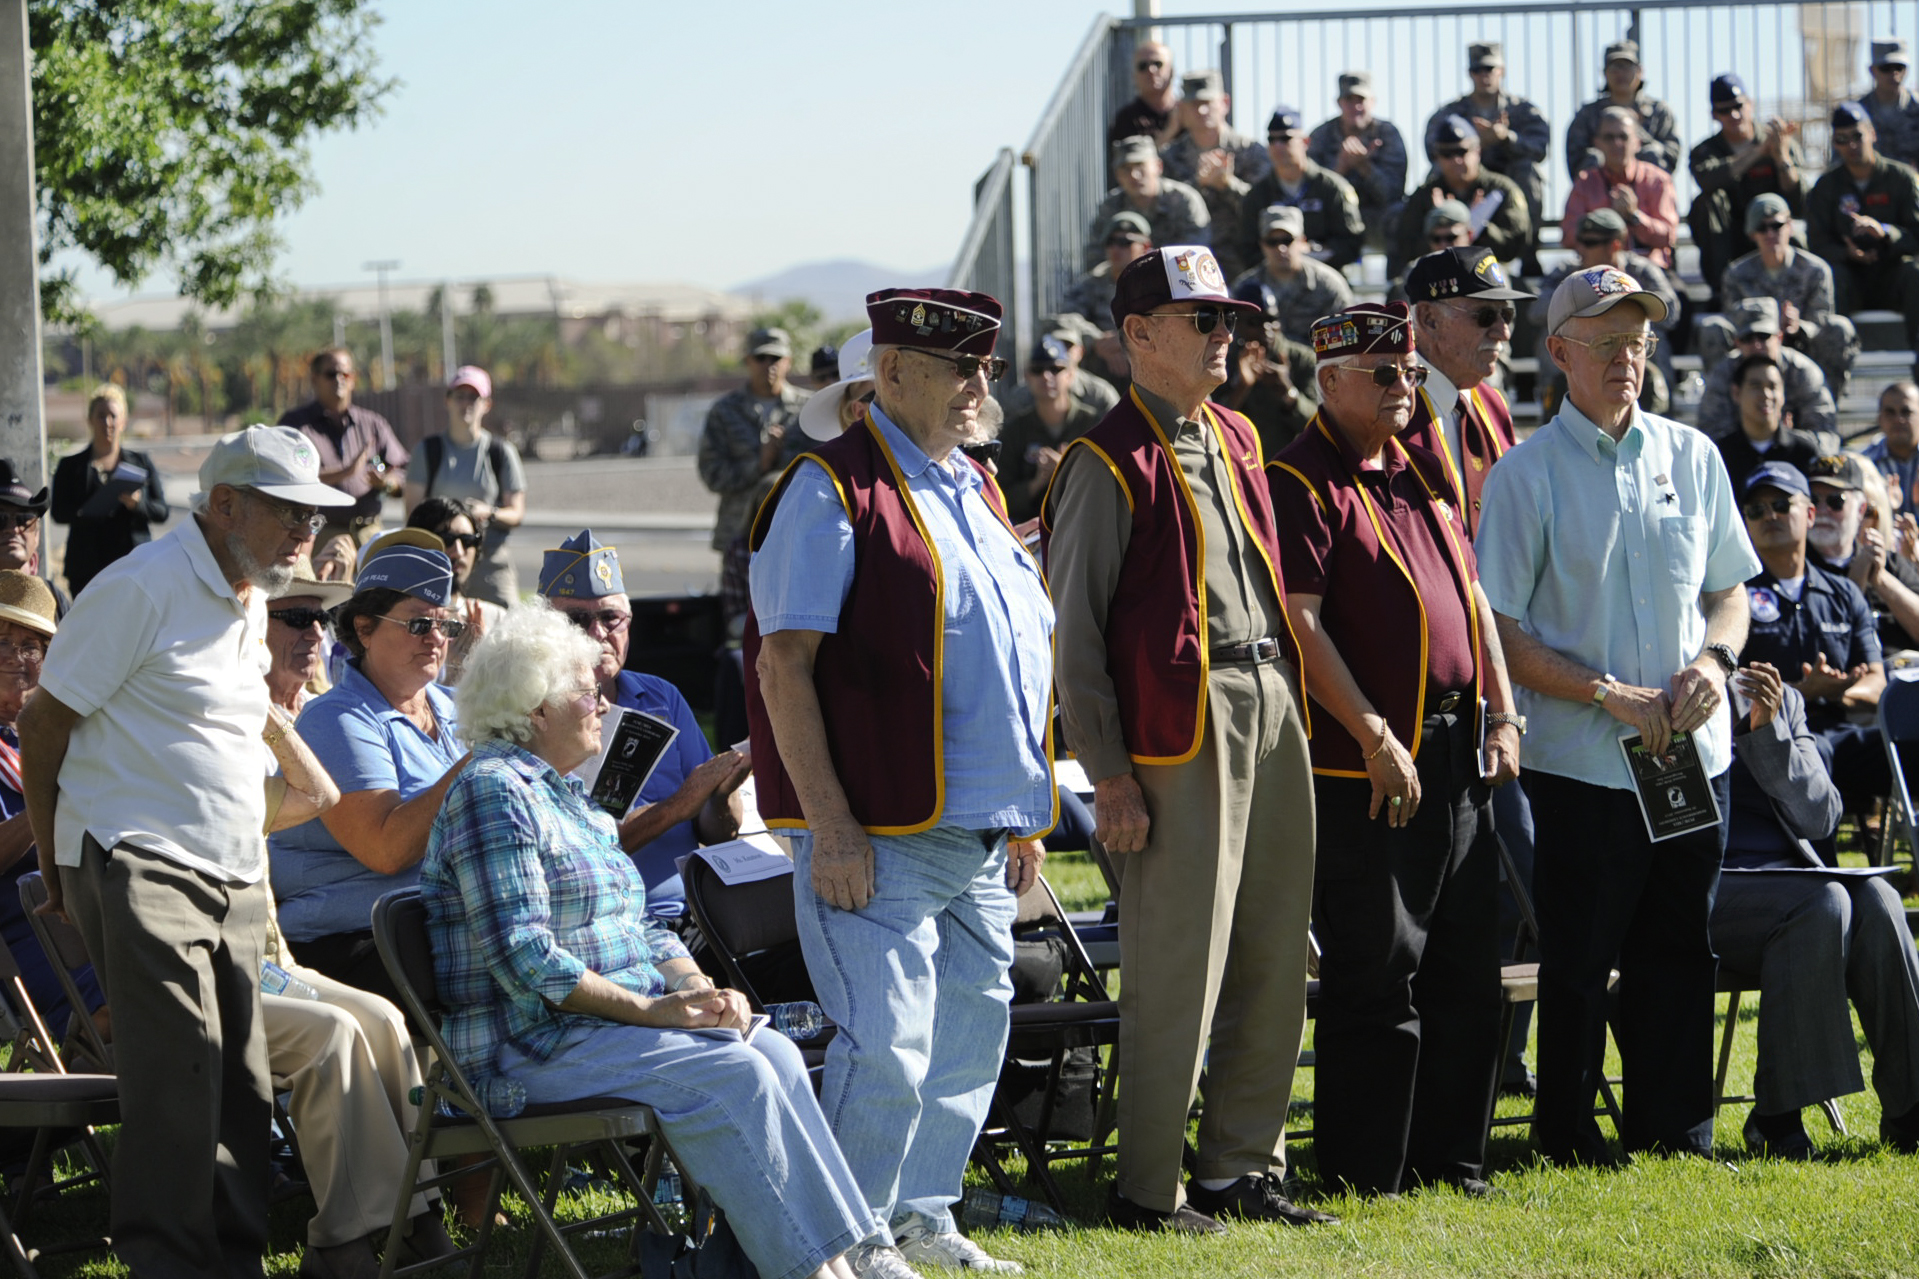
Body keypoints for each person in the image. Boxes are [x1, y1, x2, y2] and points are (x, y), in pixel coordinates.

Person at [422, 603, 882, 1279]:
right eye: (587, 691)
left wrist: (694, 987)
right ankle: (812, 1270)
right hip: (527, 1048)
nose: (602, 707)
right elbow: (523, 955)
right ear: (535, 707)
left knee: (772, 1051)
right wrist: (653, 1011)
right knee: (735, 1071)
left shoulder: (568, 798)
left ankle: (851, 1258)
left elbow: (637, 921)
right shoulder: (492, 792)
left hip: (596, 1032)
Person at [746, 286, 1054, 1275]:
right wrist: (827, 825)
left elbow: (1008, 659)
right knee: (887, 1045)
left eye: (984, 367)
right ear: (890, 374)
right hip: (874, 831)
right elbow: (781, 664)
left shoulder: (975, 487)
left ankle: (921, 1213)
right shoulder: (825, 487)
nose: (978, 385)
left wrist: (1023, 811)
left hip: (972, 830)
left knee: (969, 1034)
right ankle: (849, 1241)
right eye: (958, 367)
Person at [18, 425, 354, 1277]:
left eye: (313, 520)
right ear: (228, 505)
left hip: (233, 872)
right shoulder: (139, 587)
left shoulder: (246, 595)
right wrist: (62, 863)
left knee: (240, 1096)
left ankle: (231, 1264)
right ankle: (169, 1262)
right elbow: (42, 722)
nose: (305, 537)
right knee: (176, 1095)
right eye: (292, 515)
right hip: (140, 863)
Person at [1044, 248, 1330, 1233]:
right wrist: (1109, 776)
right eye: (1200, 319)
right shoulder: (1101, 460)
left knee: (1275, 946)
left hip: (1268, 698)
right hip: (1181, 725)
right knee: (1179, 962)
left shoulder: (1240, 435)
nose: (1224, 335)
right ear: (1136, 335)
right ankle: (1148, 1186)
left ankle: (1241, 1166)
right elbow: (1073, 641)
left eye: (1226, 318)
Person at [1475, 266, 1760, 1166]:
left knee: (1677, 946)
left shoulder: (1694, 454)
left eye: (1637, 342)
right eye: (1605, 344)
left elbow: (1730, 594)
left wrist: (1714, 659)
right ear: (1558, 354)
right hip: (1583, 764)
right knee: (1578, 957)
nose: (1626, 360)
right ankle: (1565, 1132)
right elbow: (1501, 631)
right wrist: (1606, 694)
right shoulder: (1523, 476)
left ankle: (1676, 1129)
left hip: (1686, 755)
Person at [1267, 302, 1521, 1198]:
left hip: (1459, 751)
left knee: (1464, 969)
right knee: (1377, 972)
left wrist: (1501, 708)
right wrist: (1373, 733)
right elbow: (1299, 622)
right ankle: (1364, 1168)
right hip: (1367, 767)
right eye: (1384, 374)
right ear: (1328, 379)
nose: (1404, 388)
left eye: (1411, 373)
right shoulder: (1299, 479)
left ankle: (1450, 1157)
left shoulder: (1419, 466)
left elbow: (1473, 592)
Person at [256, 584, 453, 1279]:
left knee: (379, 1020)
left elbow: (313, 796)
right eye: (295, 616)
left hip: (276, 954)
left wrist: (274, 717)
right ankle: (342, 1239)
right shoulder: (225, 730)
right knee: (341, 1029)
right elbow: (377, 842)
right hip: (237, 957)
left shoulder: (290, 718)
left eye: (319, 617)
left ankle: (414, 1213)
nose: (315, 630)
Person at [1712, 659, 1919, 1157]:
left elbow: (1820, 816)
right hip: (1706, 887)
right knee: (1820, 902)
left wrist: (1766, 732)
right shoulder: (1671, 696)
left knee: (1880, 898)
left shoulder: (1786, 703)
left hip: (1791, 880)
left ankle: (1911, 1107)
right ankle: (1777, 1117)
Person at [268, 531, 470, 1006]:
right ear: (364, 629)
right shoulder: (337, 719)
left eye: (446, 625)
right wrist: (477, 765)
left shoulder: (458, 709)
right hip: (355, 941)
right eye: (419, 624)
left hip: (436, 927)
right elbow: (385, 850)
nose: (437, 638)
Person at [540, 530, 748, 926]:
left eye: (610, 617)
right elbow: (582, 854)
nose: (597, 633)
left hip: (697, 914)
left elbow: (718, 832)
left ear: (629, 622)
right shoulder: (533, 714)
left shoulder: (660, 697)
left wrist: (722, 790)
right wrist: (678, 805)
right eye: (576, 619)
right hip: (608, 925)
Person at [1739, 459, 1887, 841]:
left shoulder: (1843, 592)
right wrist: (1802, 694)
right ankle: (1823, 884)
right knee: (1812, 757)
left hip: (1843, 731)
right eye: (1757, 510)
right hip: (1775, 742)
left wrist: (1839, 692)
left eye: (1781, 505)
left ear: (1808, 513)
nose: (1769, 515)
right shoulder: (1732, 598)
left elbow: (1877, 682)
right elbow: (1731, 688)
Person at [0, 573, 103, 1036]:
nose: (16, 659)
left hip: (99, 909)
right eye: (2, 642)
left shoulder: (56, 736)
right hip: (31, 932)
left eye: (32, 646)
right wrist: (53, 801)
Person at [1399, 248, 1532, 538]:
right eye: (1485, 316)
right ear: (1429, 319)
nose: (1503, 332)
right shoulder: (1390, 406)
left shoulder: (1491, 402)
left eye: (1506, 314)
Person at [1700, 194, 1856, 396]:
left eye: (1777, 225)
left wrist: (1798, 326)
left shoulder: (1815, 270)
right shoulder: (1736, 274)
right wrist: (1766, 330)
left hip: (1803, 351)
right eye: (1762, 228)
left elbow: (1821, 319)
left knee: (1839, 327)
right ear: (1752, 234)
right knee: (1712, 328)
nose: (1770, 233)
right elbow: (1735, 321)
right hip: (1754, 354)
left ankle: (1823, 402)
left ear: (1789, 226)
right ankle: (1729, 404)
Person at [400, 365, 527, 609]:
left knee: (506, 634)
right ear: (447, 401)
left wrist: (488, 513)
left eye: (474, 397)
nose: (466, 403)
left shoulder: (501, 452)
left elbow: (517, 513)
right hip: (440, 564)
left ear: (486, 404)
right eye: (460, 396)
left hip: (490, 565)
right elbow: (413, 516)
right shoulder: (428, 451)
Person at [1531, 209, 1681, 413]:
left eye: (1590, 243)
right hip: (1587, 350)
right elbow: (1536, 309)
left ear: (1615, 245)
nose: (1580, 249)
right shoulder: (1568, 272)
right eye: (1579, 241)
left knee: (1650, 339)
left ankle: (1658, 412)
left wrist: (1626, 313)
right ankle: (1554, 412)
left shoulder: (1640, 270)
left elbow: (1670, 310)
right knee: (1554, 337)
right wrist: (1586, 309)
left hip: (1636, 363)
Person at [1807, 103, 1919, 364]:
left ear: (1872, 133)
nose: (1851, 145)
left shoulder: (1901, 178)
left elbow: (1916, 235)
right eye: (1842, 139)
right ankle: (1834, 364)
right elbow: (1817, 243)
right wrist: (1846, 253)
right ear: (1835, 144)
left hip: (1891, 275)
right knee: (1831, 276)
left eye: (1857, 135)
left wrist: (1886, 233)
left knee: (1915, 274)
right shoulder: (1826, 186)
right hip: (1851, 279)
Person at [1428, 43, 1551, 270]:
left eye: (1489, 69)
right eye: (1478, 70)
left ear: (1501, 71)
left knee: (1529, 172)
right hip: (1467, 181)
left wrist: (1506, 139)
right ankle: (1439, 251)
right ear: (1470, 73)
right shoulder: (1452, 113)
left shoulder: (1522, 110)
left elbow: (1540, 148)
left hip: (1508, 184)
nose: (1484, 75)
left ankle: (1529, 253)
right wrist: (1470, 146)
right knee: (1437, 173)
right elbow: (1432, 148)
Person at [1688, 74, 1807, 309]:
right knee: (1708, 202)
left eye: (1738, 106)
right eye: (1724, 110)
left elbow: (1799, 200)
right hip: (1730, 240)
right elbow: (1708, 180)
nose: (1733, 115)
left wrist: (1781, 156)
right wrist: (1757, 151)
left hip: (1772, 232)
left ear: (1750, 104)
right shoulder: (1706, 150)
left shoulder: (1779, 141)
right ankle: (1721, 290)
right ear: (1713, 115)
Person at [279, 348, 408, 550]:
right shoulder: (296, 426)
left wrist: (387, 483)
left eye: (345, 374)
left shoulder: (373, 424)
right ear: (314, 379)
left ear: (353, 379)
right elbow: (288, 478)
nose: (339, 379)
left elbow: (401, 469)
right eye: (331, 374)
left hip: (369, 533)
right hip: (319, 536)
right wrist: (346, 472)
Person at [697, 326, 811, 552]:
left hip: (797, 533)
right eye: (761, 358)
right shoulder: (725, 411)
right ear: (747, 361)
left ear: (788, 361)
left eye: (776, 357)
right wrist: (759, 465)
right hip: (740, 536)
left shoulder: (809, 409)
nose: (769, 365)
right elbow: (712, 474)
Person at [50, 383, 168, 596]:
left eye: (113, 416)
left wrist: (138, 504)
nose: (108, 423)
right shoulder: (70, 466)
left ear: (124, 421)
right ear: (89, 420)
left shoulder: (141, 463)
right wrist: (87, 510)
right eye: (101, 416)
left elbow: (162, 511)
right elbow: (58, 513)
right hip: (86, 568)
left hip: (134, 567)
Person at [1161, 70, 1270, 283]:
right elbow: (1163, 213)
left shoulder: (1252, 152)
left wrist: (1228, 185)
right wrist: (1197, 186)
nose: (1201, 110)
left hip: (1243, 265)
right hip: (1185, 267)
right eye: (1193, 104)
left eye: (1207, 102)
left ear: (1225, 103)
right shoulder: (1169, 158)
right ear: (1181, 109)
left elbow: (1263, 209)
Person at [1233, 106, 1366, 272]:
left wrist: (1314, 251)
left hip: (1325, 277)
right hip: (1273, 283)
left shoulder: (1331, 188)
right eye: (1272, 140)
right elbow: (1247, 249)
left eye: (1285, 138)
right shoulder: (1258, 195)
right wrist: (1279, 254)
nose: (1278, 146)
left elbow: (1352, 243)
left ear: (1305, 142)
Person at [1396, 117, 1531, 277]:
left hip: (1489, 275)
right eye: (1447, 154)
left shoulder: (1501, 190)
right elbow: (1405, 247)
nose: (1456, 160)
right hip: (1437, 277)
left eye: (1462, 151)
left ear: (1477, 151)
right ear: (1437, 157)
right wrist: (1438, 223)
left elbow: (1516, 245)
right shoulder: (1425, 195)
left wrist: (1479, 226)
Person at [998, 335, 1107, 524]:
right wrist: (1037, 483)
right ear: (1027, 376)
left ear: (1071, 375)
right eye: (1038, 370)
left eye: (1056, 369)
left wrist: (1067, 473)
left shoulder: (1093, 424)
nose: (1046, 376)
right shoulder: (1015, 430)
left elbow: (1108, 488)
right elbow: (1001, 497)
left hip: (1086, 525)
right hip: (1032, 531)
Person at [1696, 299, 1836, 441]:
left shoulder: (1804, 372)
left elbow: (1826, 436)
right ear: (1737, 342)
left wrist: (1790, 440)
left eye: (1764, 336)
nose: (1756, 345)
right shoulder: (1723, 374)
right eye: (1748, 338)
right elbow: (1710, 433)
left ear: (1779, 337)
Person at [1561, 108, 1679, 270]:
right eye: (1609, 137)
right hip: (1598, 273)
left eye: (1623, 137)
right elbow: (1568, 236)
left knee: (1674, 295)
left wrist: (1635, 216)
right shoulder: (1585, 182)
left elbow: (1668, 237)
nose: (1617, 144)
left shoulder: (1658, 180)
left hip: (1649, 271)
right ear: (1597, 143)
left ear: (1637, 142)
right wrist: (1604, 222)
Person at [404, 496, 503, 685]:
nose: (458, 551)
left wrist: (482, 661)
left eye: (467, 540)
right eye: (447, 539)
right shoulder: (399, 620)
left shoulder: (498, 621)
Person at [1306, 72, 1408, 246]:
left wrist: (1365, 167)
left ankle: (1399, 273)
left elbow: (1393, 193)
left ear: (1372, 102)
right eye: (1349, 100)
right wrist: (1339, 169)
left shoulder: (1388, 134)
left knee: (1402, 215)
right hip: (1336, 217)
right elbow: (1310, 194)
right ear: (1339, 103)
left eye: (1360, 100)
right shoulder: (1321, 135)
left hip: (1376, 215)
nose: (1355, 107)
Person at [1230, 205, 1354, 346]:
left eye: (1287, 240)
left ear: (1302, 242)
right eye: (1272, 242)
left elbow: (1345, 339)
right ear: (1261, 245)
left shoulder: (1329, 284)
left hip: (1317, 363)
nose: (1280, 248)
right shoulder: (1244, 288)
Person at [1085, 135, 1210, 272]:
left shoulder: (1184, 199)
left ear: (1158, 166)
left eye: (1140, 165)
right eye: (1126, 168)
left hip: (1179, 279)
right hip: (1127, 283)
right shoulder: (1111, 206)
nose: (1134, 175)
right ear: (1117, 175)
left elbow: (1195, 253)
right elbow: (1095, 257)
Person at [1565, 40, 1681, 178]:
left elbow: (1671, 154)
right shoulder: (1588, 114)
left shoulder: (1659, 112)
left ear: (1639, 71)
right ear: (1604, 73)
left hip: (1649, 192)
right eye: (1614, 67)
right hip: (1600, 192)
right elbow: (1576, 160)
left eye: (1626, 67)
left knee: (1653, 152)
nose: (1620, 73)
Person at [1713, 355, 1825, 495]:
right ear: (1736, 393)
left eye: (1773, 386)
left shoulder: (1804, 451)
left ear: (1783, 394)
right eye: (1756, 386)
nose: (1766, 395)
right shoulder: (1720, 454)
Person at [1064, 212, 1154, 383]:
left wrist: (1125, 340)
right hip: (1102, 369)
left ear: (1145, 246)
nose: (1116, 249)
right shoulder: (1091, 284)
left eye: (1125, 243)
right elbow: (1066, 319)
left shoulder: (1158, 284)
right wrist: (1096, 341)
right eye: (1110, 243)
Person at [1216, 316, 1320, 458]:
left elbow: (1318, 426)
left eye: (1272, 321)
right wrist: (1242, 386)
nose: (1266, 329)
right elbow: (1211, 425)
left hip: (1288, 466)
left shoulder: (1303, 359)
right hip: (1238, 462)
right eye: (1254, 322)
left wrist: (1287, 392)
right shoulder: (1223, 358)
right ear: (1238, 326)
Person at [0, 461, 69, 618]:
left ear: (37, 536)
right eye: (0, 519)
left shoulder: (55, 600)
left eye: (25, 519)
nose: (13, 529)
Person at [1860, 38, 1919, 170]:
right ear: (1872, 70)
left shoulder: (1916, 107)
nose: (1894, 73)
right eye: (1886, 68)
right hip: (1870, 188)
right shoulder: (1859, 113)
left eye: (1899, 67)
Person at [1109, 39, 1180, 148]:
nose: (1151, 70)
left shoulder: (1189, 111)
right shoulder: (1127, 119)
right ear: (1134, 77)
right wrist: (1171, 131)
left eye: (1158, 64)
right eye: (1142, 66)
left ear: (1172, 71)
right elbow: (1130, 162)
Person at [1866, 380, 1919, 512]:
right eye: (1890, 412)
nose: (1898, 419)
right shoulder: (1866, 465)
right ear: (1879, 419)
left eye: (1906, 412)